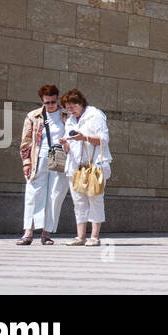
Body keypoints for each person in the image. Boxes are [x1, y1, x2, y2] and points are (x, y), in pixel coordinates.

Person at [17, 85, 70, 246]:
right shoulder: (33, 116)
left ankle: (46, 233)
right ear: (42, 101)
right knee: (33, 193)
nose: (51, 105)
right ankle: (28, 232)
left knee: (55, 194)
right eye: (47, 102)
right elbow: (26, 142)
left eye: (54, 101)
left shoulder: (67, 115)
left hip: (60, 158)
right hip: (38, 157)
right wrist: (26, 162)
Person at [58, 89, 112, 247]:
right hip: (75, 164)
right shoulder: (70, 120)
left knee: (95, 198)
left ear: (81, 103)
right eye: (68, 108)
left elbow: (104, 139)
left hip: (94, 164)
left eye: (73, 106)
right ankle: (80, 236)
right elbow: (70, 145)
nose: (71, 110)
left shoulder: (95, 115)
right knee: (78, 200)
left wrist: (84, 137)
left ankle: (94, 236)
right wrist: (66, 143)